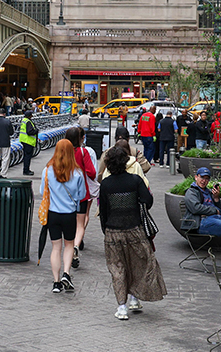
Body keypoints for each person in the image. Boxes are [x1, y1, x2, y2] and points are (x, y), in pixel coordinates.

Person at [97, 144, 167, 320]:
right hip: (135, 229)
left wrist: (106, 230)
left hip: (113, 231)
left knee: (118, 269)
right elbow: (148, 200)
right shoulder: (135, 180)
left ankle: (122, 306)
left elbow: (103, 210)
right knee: (139, 264)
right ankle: (135, 298)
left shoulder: (105, 184)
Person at [42, 139, 86, 293]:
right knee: (69, 245)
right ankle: (66, 274)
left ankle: (56, 282)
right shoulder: (78, 172)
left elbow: (43, 191)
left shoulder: (47, 170)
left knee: (55, 248)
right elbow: (82, 195)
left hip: (53, 214)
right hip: (69, 214)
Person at [65, 126, 97, 269]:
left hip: (65, 193)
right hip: (81, 193)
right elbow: (92, 173)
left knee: (69, 222)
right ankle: (76, 245)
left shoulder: (63, 152)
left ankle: (69, 247)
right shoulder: (83, 152)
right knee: (80, 223)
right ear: (80, 138)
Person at [18, 109, 38, 176]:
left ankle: (26, 169)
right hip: (28, 141)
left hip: (24, 140)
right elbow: (29, 132)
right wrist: (36, 131)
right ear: (29, 116)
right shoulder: (28, 122)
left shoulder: (24, 120)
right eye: (31, 115)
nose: (32, 116)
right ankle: (26, 170)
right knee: (27, 157)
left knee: (26, 156)